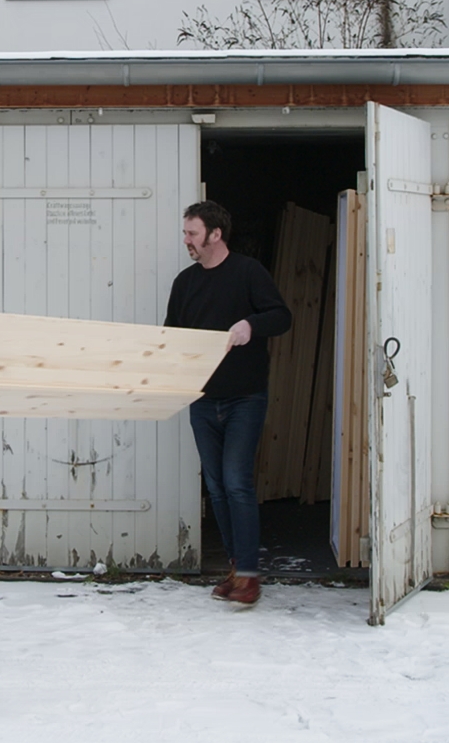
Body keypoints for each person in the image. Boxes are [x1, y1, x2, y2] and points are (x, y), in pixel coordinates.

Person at [164, 200, 291, 607]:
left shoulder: (248, 272)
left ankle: (250, 575)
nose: (187, 241)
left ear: (215, 235)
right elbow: (171, 335)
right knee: (216, 487)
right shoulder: (185, 283)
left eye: (192, 234)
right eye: (186, 233)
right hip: (203, 399)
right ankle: (238, 569)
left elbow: (281, 316)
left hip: (244, 398)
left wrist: (250, 325)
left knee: (236, 482)